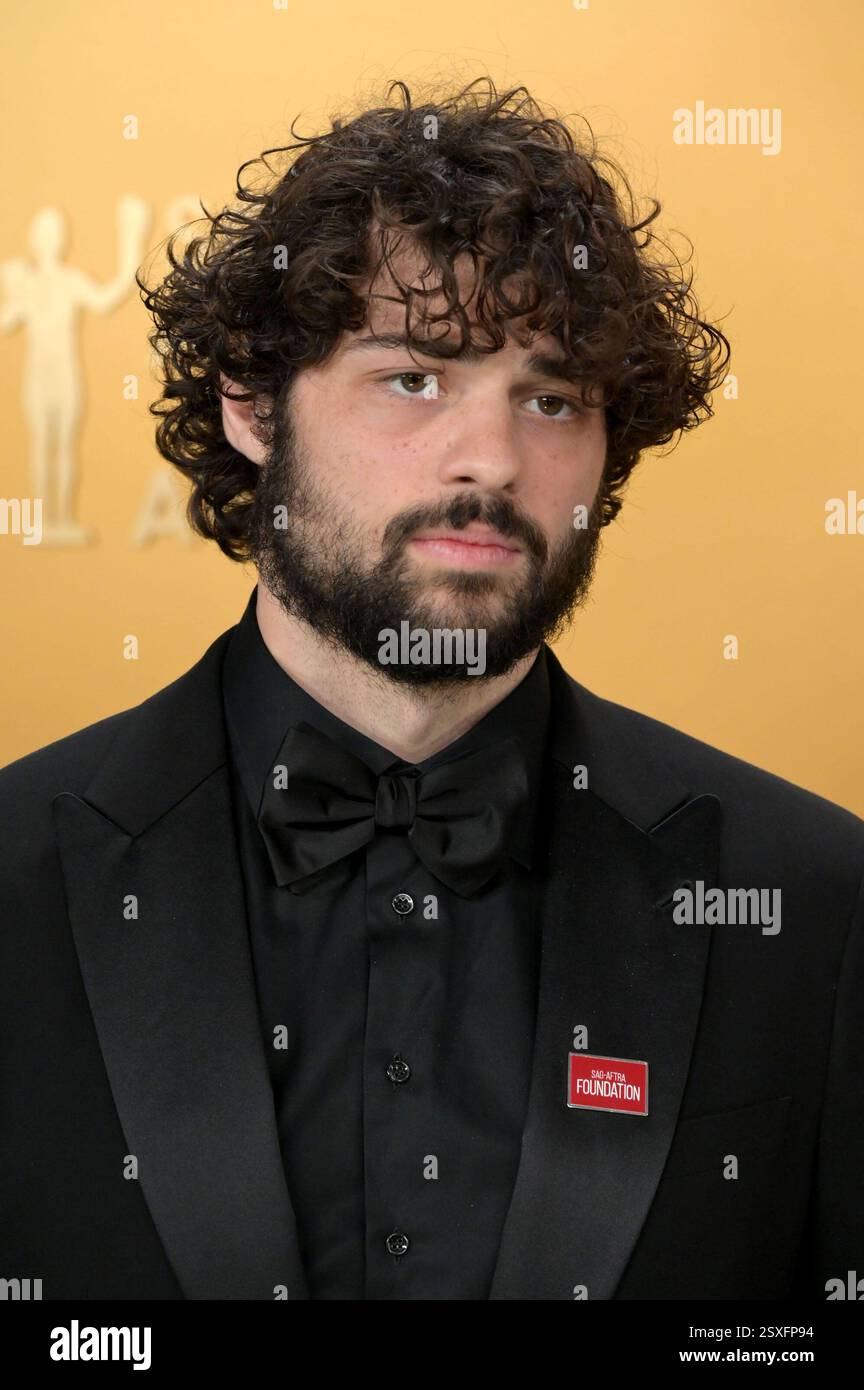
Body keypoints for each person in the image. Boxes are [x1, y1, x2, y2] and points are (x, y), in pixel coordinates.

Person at [1, 78, 861, 1302]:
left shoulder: (816, 904)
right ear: (253, 403)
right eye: (414, 377)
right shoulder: (14, 877)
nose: (493, 459)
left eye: (552, 397)